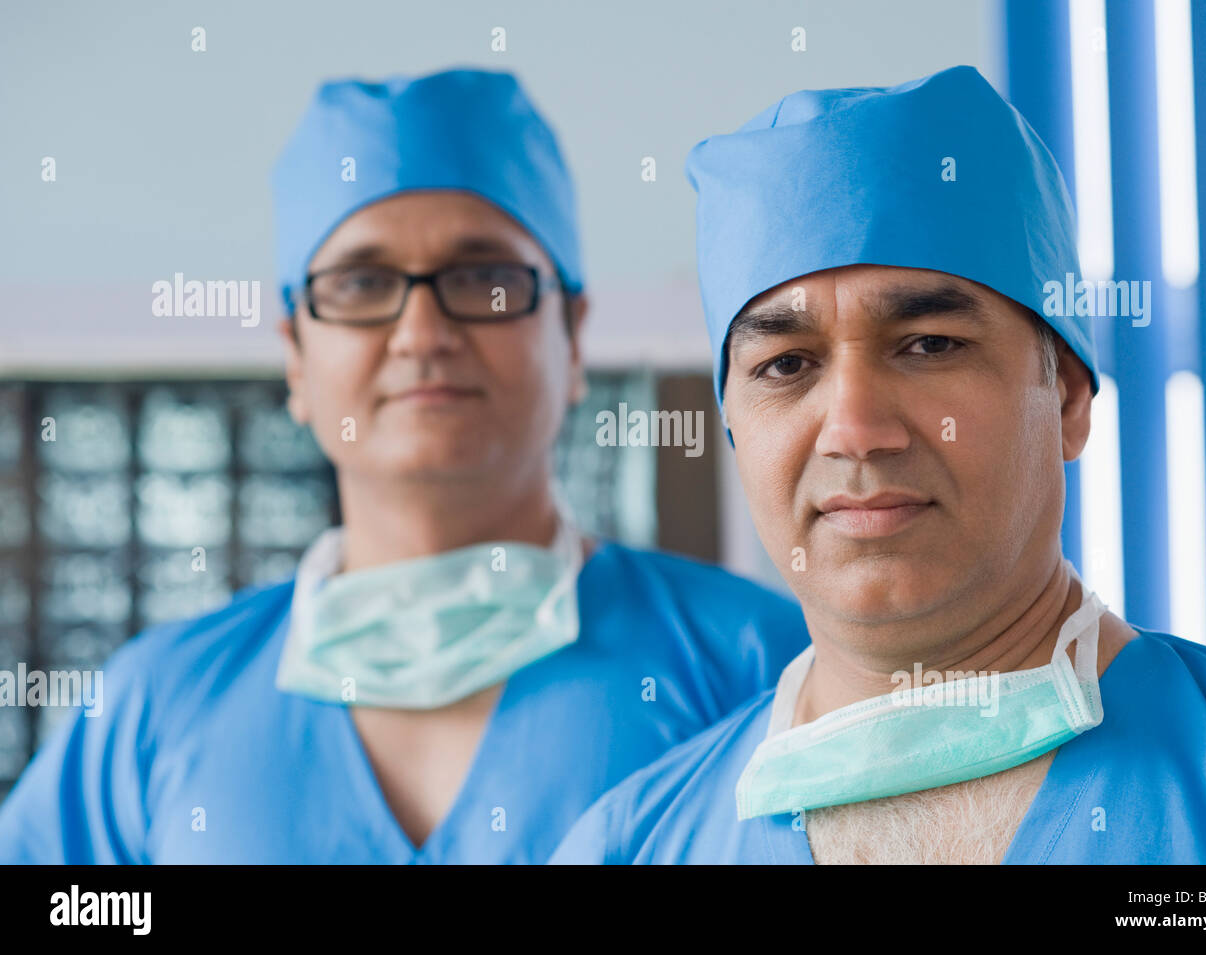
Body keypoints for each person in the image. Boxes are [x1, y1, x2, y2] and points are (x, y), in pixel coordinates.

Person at [0, 68, 809, 864]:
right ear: (294, 355)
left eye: (484, 279)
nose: (421, 332)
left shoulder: (757, 663)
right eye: (360, 282)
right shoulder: (153, 707)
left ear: (571, 338)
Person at [550, 65, 1206, 864]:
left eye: (930, 345)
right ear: (733, 426)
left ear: (1070, 399)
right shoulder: (627, 845)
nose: (855, 430)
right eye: (787, 364)